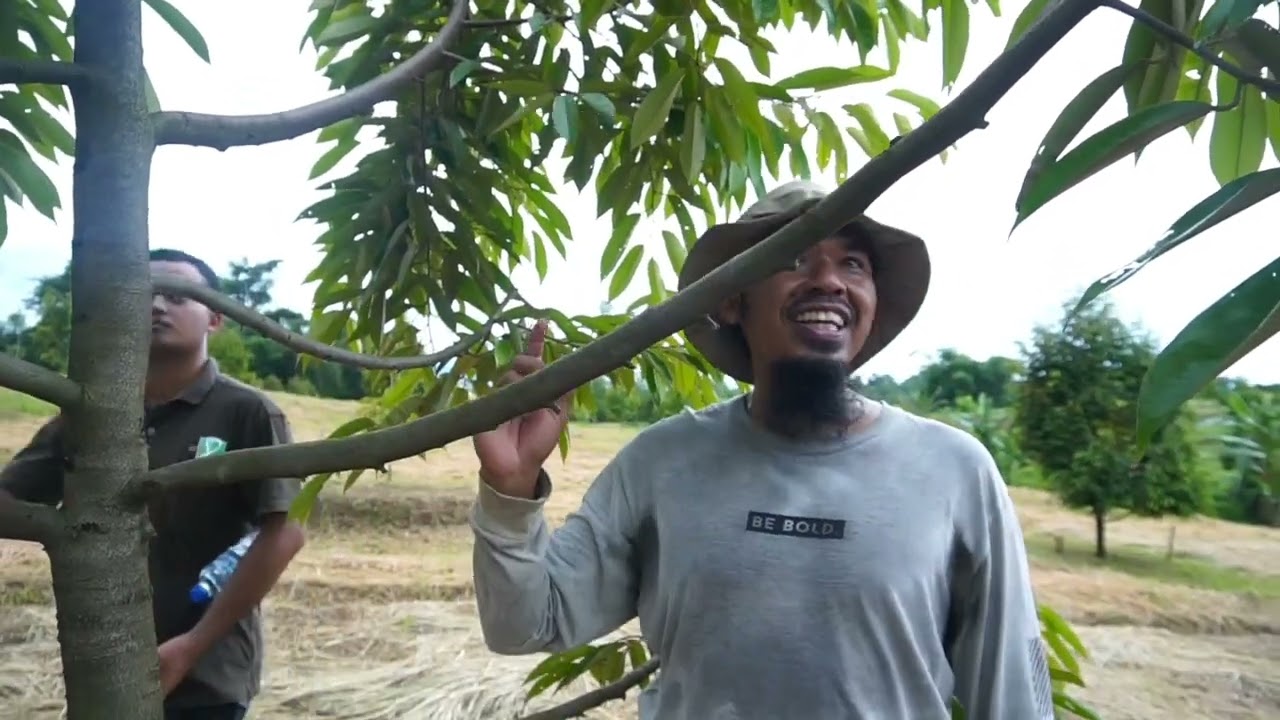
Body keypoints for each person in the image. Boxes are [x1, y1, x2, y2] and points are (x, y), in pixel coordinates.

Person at [468, 181, 1054, 719]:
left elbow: (1013, 695)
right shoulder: (662, 463)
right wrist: (508, 491)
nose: (830, 280)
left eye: (853, 263)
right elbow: (524, 625)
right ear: (731, 301)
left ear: (871, 306)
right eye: (794, 255)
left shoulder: (955, 471)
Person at [0, 249, 306, 720]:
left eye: (178, 295)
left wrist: (191, 646)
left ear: (215, 319)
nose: (157, 305)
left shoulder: (246, 412)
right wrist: (66, 529)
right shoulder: (91, 415)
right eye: (143, 295)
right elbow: (10, 498)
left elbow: (285, 531)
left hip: (206, 671)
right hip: (102, 661)